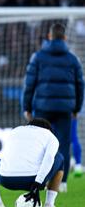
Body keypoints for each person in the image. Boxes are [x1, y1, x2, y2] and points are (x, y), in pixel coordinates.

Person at [23, 23, 84, 193]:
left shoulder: (38, 57)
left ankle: (38, 180)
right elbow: (80, 84)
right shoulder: (72, 59)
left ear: (49, 37)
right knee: (63, 144)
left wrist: (26, 107)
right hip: (65, 108)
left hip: (42, 108)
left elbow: (29, 84)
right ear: (64, 38)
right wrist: (76, 108)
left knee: (40, 144)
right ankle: (61, 183)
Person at [0, 118, 67, 207]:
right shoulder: (50, 136)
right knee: (59, 158)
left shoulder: (15, 130)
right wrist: (37, 183)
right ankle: (49, 206)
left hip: (6, 179)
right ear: (48, 130)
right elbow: (49, 158)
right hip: (33, 181)